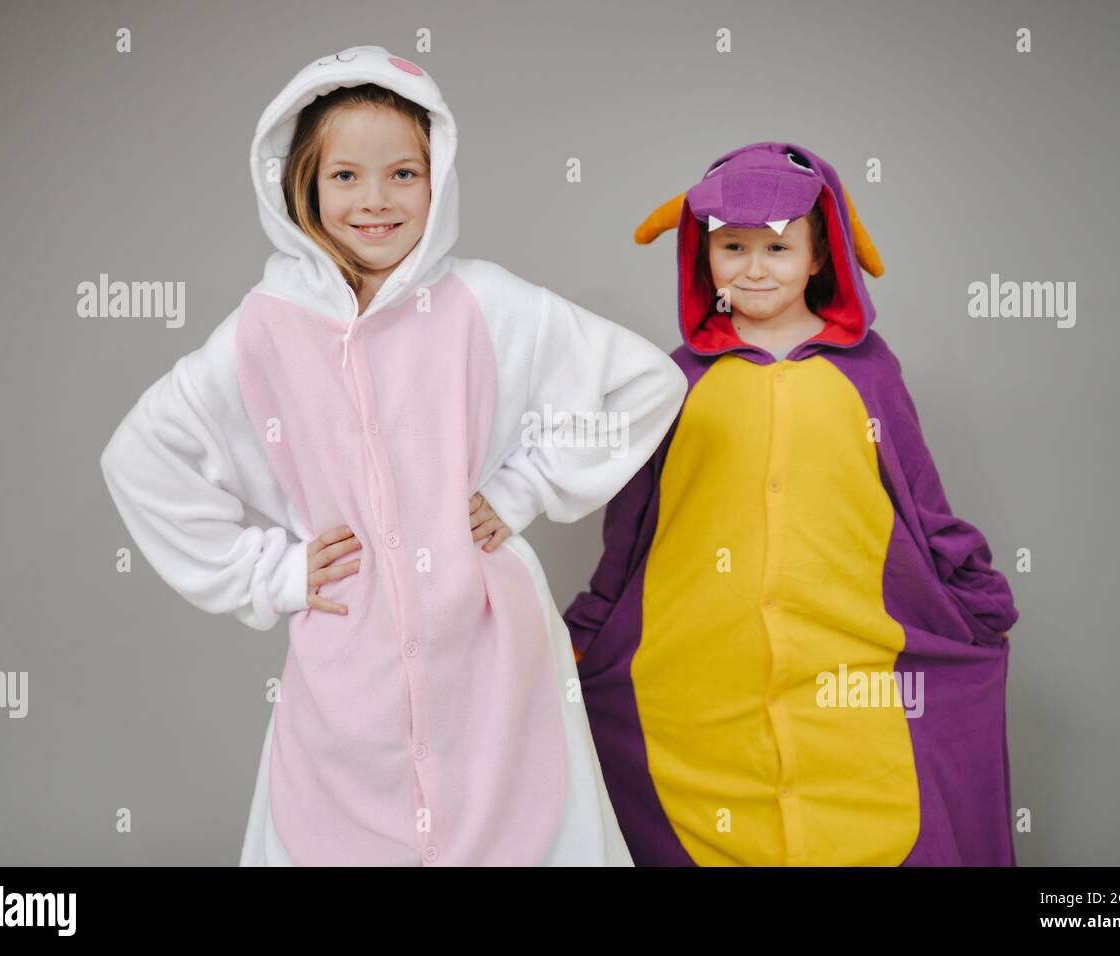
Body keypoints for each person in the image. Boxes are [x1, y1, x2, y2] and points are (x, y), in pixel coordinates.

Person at [99, 45, 686, 866]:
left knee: (529, 824)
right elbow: (141, 456)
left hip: (491, 649)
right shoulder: (264, 329)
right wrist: (269, 573)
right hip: (350, 656)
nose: (375, 201)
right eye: (344, 177)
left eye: (403, 174)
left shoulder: (485, 303)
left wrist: (523, 490)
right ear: (301, 184)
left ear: (437, 178)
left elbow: (644, 383)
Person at [563, 141, 1020, 866]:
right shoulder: (672, 380)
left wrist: (972, 594)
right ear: (702, 256)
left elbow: (920, 495)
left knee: (874, 819)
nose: (753, 266)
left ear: (818, 255)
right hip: (702, 660)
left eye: (777, 247)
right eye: (732, 246)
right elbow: (635, 522)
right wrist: (593, 620)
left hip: (845, 655)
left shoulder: (869, 372)